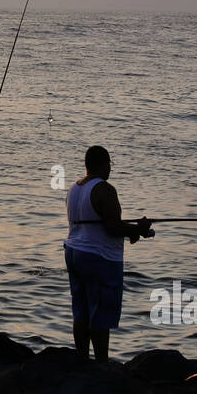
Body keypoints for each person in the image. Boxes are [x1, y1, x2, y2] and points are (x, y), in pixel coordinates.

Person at [64, 145, 152, 361]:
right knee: (101, 313)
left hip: (74, 252)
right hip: (99, 258)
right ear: (104, 165)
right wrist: (139, 229)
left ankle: (82, 360)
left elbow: (100, 225)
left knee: (81, 311)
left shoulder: (74, 188)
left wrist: (131, 231)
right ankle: (102, 363)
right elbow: (113, 228)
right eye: (110, 164)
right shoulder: (105, 189)